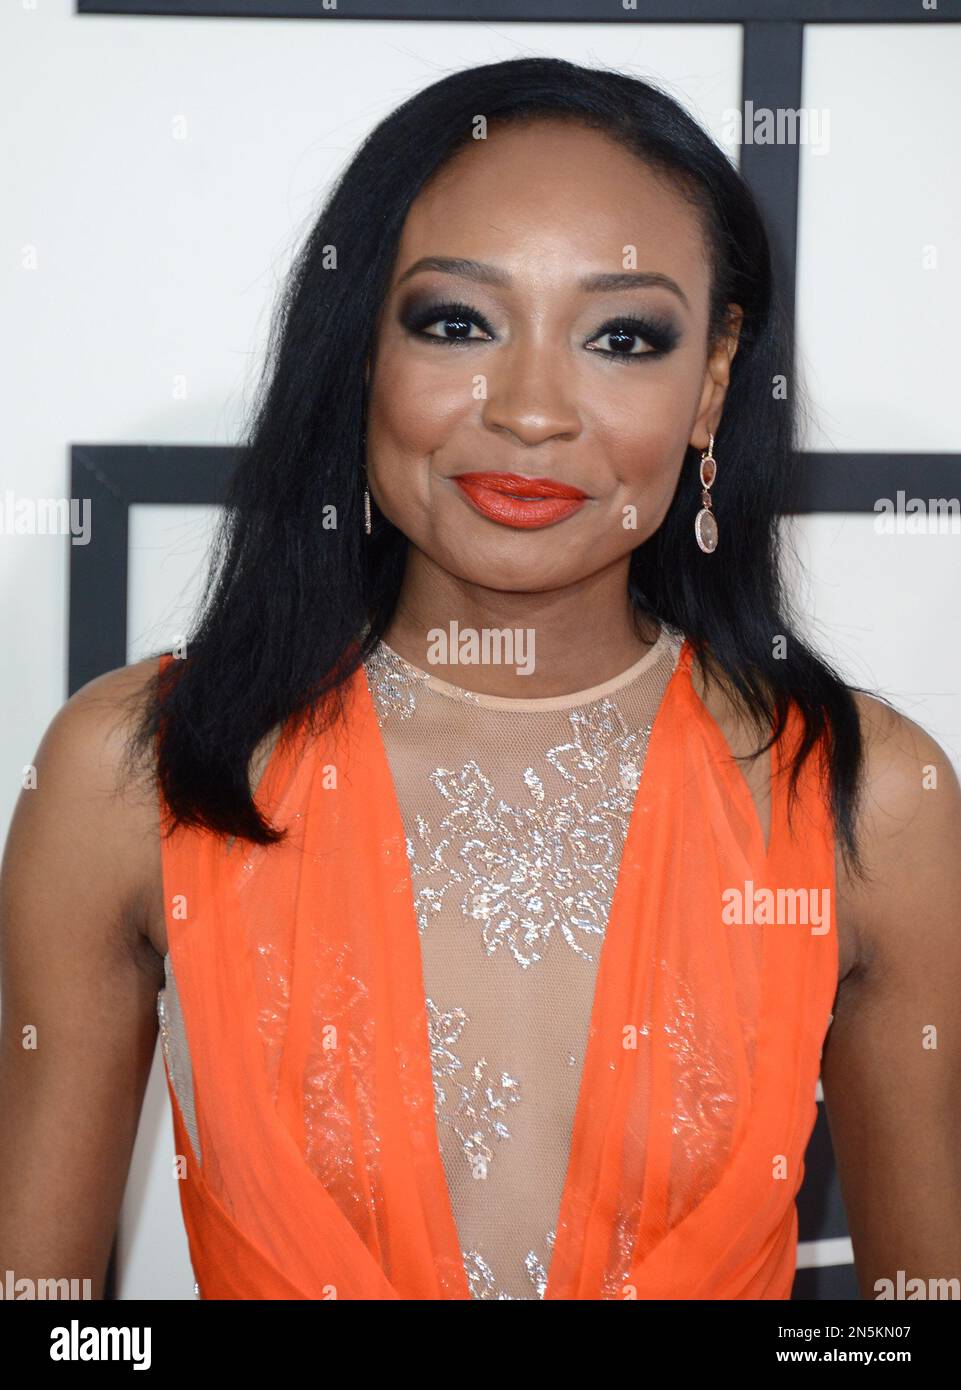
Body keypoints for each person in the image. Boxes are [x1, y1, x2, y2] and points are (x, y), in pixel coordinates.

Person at [1, 57, 959, 1302]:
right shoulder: (134, 774)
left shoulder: (866, 800)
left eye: (622, 337)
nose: (530, 411)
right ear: (360, 348)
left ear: (714, 382)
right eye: (457, 323)